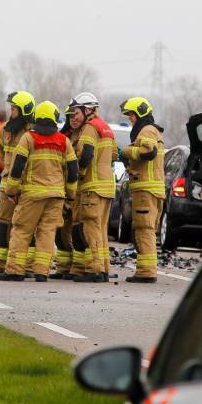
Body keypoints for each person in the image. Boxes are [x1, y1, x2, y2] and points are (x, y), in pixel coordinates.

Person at [0, 101, 77, 282]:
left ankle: (15, 271)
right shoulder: (63, 141)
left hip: (32, 195)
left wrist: (11, 190)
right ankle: (42, 272)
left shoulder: (28, 138)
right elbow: (73, 170)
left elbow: (17, 166)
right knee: (47, 232)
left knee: (22, 231)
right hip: (56, 196)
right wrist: (70, 195)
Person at [68, 92, 118, 283]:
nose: (74, 116)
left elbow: (86, 154)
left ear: (87, 110)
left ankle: (95, 270)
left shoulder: (89, 128)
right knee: (100, 228)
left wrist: (79, 174)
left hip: (92, 186)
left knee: (91, 228)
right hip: (107, 186)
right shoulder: (105, 127)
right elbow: (114, 155)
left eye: (77, 112)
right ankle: (104, 269)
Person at [0, 91, 36, 276]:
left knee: (27, 227)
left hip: (28, 186)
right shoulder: (6, 130)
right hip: (7, 185)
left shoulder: (33, 132)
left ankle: (28, 266)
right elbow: (1, 153)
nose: (11, 112)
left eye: (14, 109)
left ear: (24, 110)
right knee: (3, 222)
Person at [120, 97, 165, 283]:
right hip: (153, 190)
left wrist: (127, 151)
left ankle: (146, 272)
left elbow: (149, 152)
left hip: (146, 190)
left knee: (143, 229)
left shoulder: (146, 130)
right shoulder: (154, 131)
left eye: (131, 114)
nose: (130, 118)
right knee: (147, 230)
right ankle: (146, 269)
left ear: (140, 114)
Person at [53, 105, 78, 278]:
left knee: (74, 231)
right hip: (61, 188)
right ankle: (63, 267)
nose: (72, 120)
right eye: (70, 117)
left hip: (76, 189)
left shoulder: (85, 134)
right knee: (60, 231)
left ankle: (76, 267)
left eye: (75, 116)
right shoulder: (64, 137)